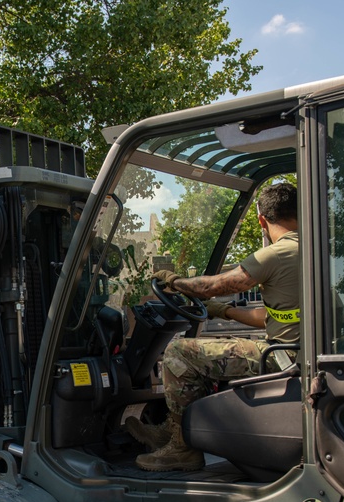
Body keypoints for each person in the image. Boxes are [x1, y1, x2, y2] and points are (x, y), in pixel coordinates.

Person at [128, 182, 300, 472]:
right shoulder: (312, 249)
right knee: (207, 351)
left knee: (179, 352)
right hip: (294, 352)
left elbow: (211, 286)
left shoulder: (276, 253)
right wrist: (226, 311)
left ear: (262, 220)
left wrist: (173, 281)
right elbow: (275, 318)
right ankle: (174, 431)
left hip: (282, 357)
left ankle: (183, 449)